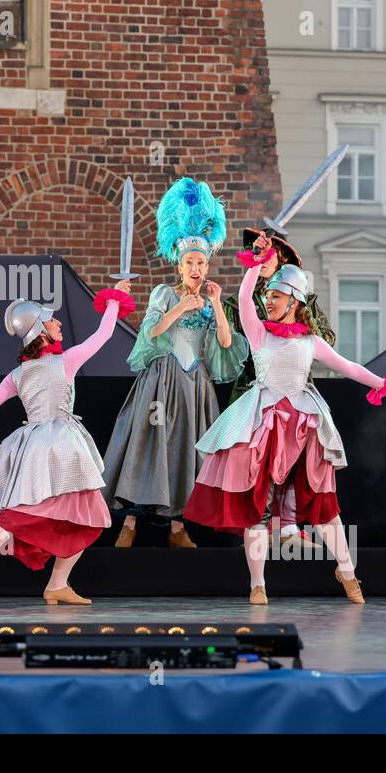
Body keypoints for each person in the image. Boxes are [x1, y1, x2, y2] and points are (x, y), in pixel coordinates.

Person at [184, 234, 386, 605]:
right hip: (264, 424)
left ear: (294, 301)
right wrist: (256, 263)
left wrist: (381, 382)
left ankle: (348, 572)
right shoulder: (259, 333)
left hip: (304, 426)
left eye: (275, 296)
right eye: (268, 295)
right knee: (255, 506)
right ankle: (258, 584)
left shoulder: (310, 342)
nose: (268, 301)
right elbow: (243, 300)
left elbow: (347, 366)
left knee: (321, 504)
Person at [0, 281, 135, 608]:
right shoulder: (66, 361)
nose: (58, 324)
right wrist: (115, 299)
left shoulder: (18, 374)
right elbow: (103, 336)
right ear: (40, 331)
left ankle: (56, 584)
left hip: (34, 447)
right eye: (51, 321)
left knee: (81, 516)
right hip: (61, 449)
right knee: (25, 518)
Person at [105, 178, 248, 548]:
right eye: (190, 262)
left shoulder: (213, 299)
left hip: (194, 385)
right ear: (180, 265)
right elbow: (150, 333)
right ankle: (131, 523)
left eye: (201, 261)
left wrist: (216, 306)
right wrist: (180, 308)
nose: (196, 267)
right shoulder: (164, 293)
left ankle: (178, 528)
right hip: (161, 381)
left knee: (187, 448)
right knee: (149, 443)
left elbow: (226, 344)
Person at [222, 226, 335, 549]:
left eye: (270, 252)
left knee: (292, 460)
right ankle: (256, 528)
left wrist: (297, 323)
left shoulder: (303, 299)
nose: (265, 258)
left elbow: (326, 340)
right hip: (254, 389)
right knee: (254, 465)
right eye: (259, 252)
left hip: (294, 388)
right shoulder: (237, 302)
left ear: (282, 256)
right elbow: (232, 350)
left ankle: (286, 527)